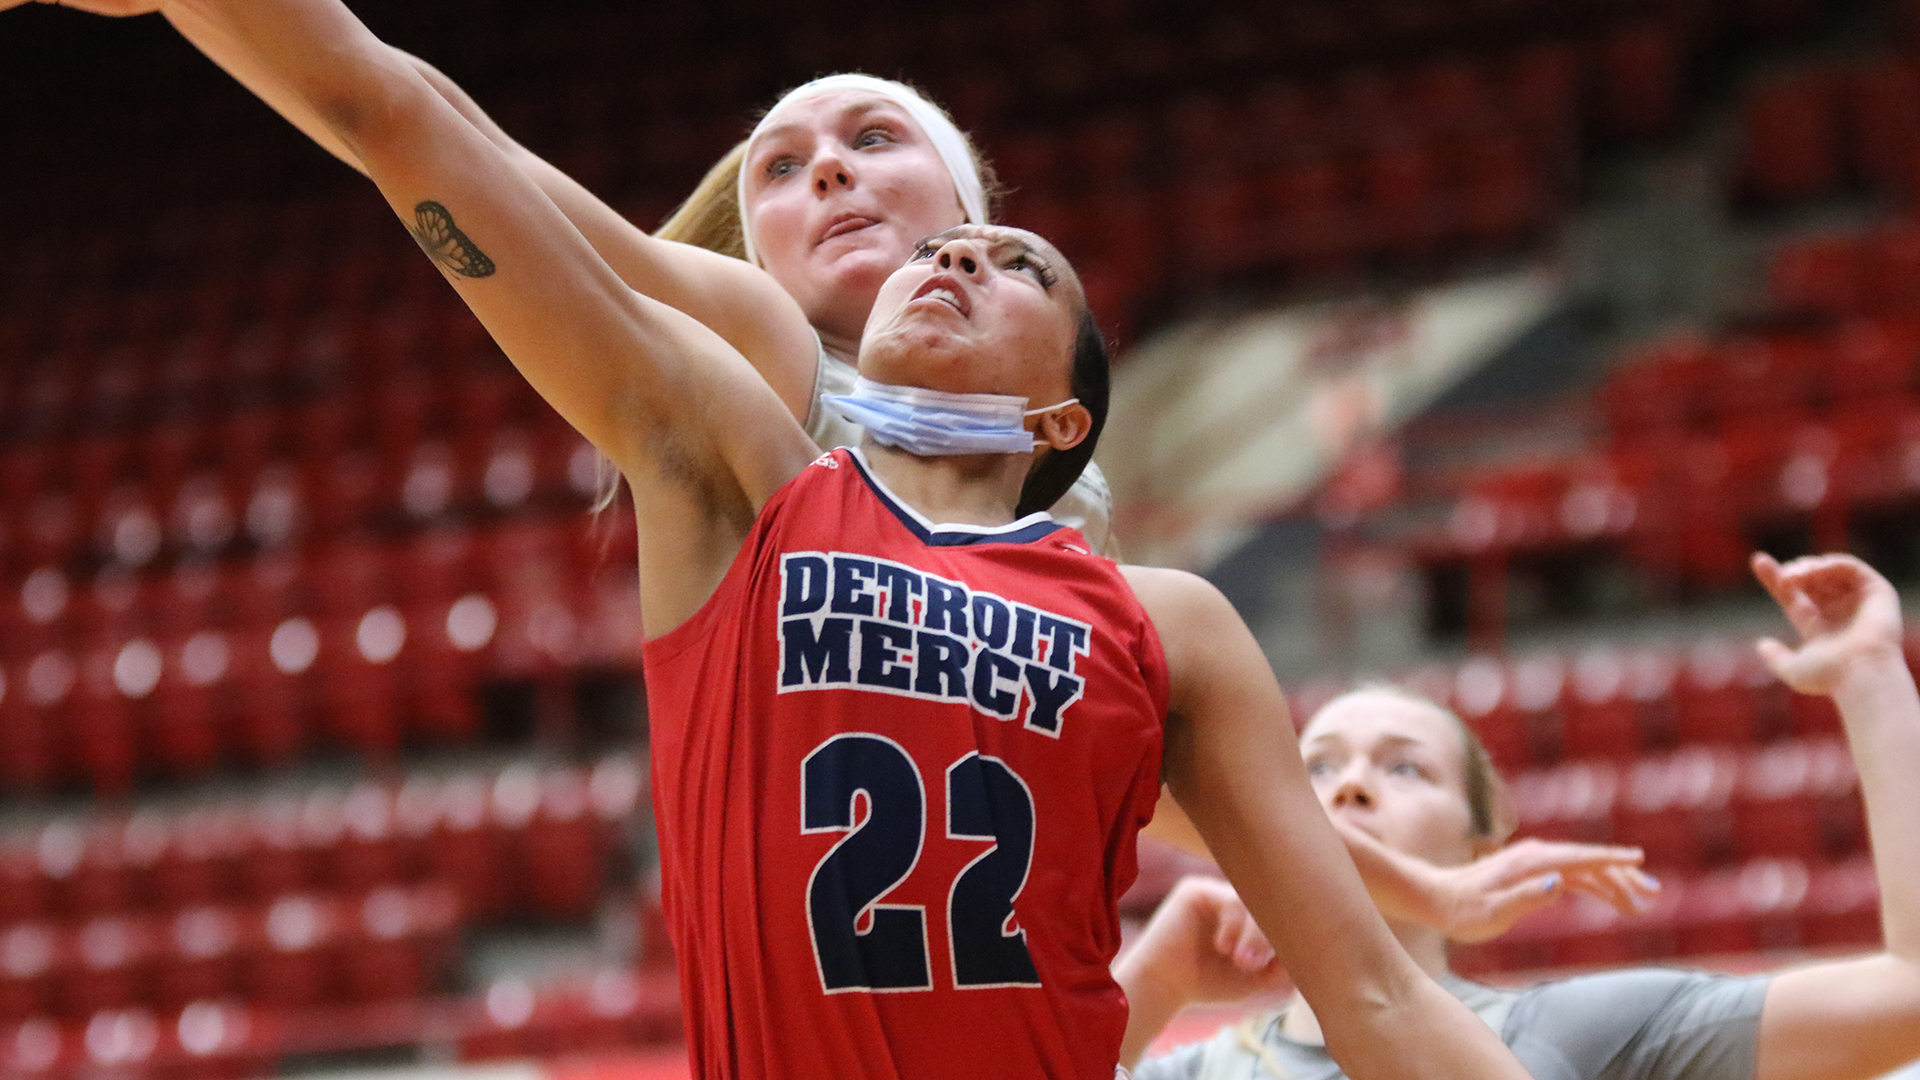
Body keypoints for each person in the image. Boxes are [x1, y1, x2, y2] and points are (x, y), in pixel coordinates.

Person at [10, 3, 1553, 1079]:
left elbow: (1352, 975)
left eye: (990, 242)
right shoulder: (746, 426)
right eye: (781, 166)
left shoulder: (1157, 617)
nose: (924, 241)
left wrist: (1417, 902)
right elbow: (411, 126)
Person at [105, 5, 1121, 549]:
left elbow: (1155, 772)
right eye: (780, 166)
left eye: (873, 136)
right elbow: (432, 141)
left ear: (975, 211)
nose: (828, 167)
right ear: (751, 258)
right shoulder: (765, 349)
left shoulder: (1087, 518)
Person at [1115, 552, 1920, 1080]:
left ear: (1478, 849)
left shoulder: (1579, 1032)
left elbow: (1911, 996)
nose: (1351, 789)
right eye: (1313, 768)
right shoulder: (1197, 1071)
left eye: (1404, 767)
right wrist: (1157, 980)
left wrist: (1871, 675)